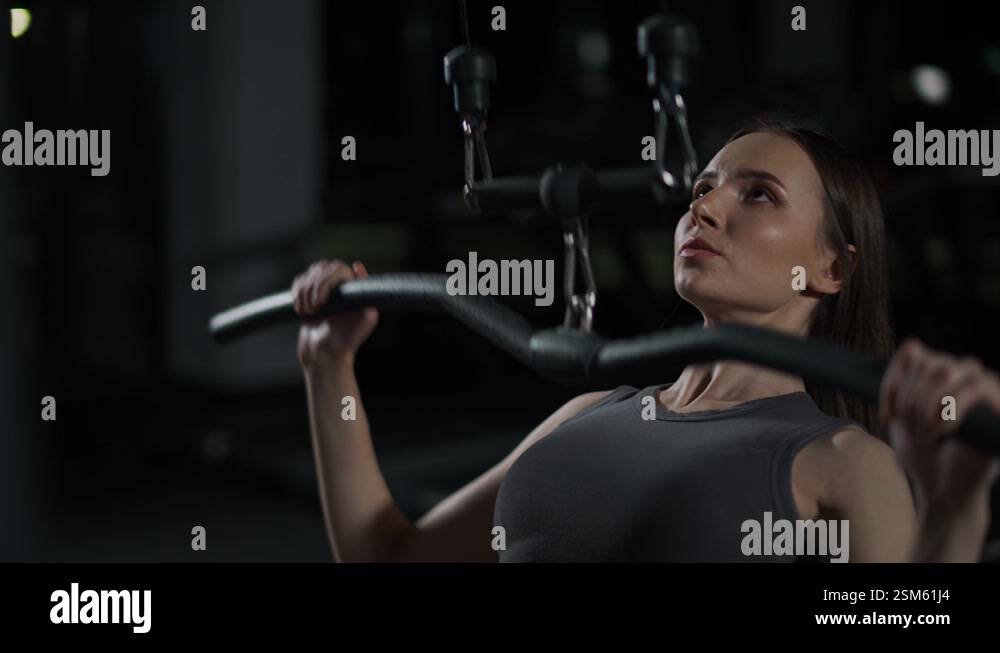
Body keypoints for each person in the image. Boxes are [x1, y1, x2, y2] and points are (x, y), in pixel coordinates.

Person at [291, 119, 999, 562]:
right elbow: (389, 555)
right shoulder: (590, 412)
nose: (705, 206)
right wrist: (329, 364)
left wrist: (957, 509)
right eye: (703, 187)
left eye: (757, 195)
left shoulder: (846, 463)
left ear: (831, 267)